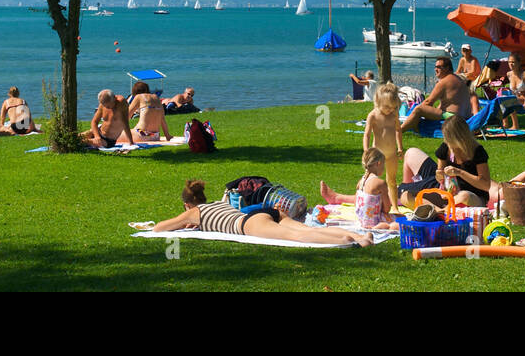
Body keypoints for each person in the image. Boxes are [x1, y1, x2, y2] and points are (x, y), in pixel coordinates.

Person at [152, 179, 371, 246]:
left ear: (188, 205)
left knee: (298, 237)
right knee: (304, 228)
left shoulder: (194, 212)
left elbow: (159, 227)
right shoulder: (220, 204)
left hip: (249, 223)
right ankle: (358, 236)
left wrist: (184, 222)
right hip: (266, 213)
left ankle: (347, 240)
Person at [318, 149, 399, 230]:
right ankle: (377, 227)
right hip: (374, 221)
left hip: (361, 220)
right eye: (383, 164)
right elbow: (387, 209)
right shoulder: (380, 183)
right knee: (400, 220)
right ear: (378, 163)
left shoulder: (361, 181)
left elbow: (358, 202)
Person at [399, 58, 473, 132]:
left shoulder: (444, 82)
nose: (435, 69)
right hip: (466, 118)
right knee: (428, 110)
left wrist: (414, 113)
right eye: (435, 67)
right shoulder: (459, 80)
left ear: (447, 68)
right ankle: (415, 129)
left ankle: (399, 131)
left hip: (453, 117)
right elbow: (446, 104)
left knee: (419, 109)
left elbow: (428, 102)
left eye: (439, 67)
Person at [362, 83, 403, 206]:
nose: (390, 110)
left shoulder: (394, 115)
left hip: (391, 154)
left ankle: (394, 206)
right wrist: (366, 150)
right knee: (369, 178)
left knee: (392, 181)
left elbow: (398, 130)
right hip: (377, 156)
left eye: (393, 107)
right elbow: (367, 134)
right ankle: (366, 202)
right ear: (378, 102)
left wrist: (400, 147)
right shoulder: (373, 115)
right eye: (387, 107)